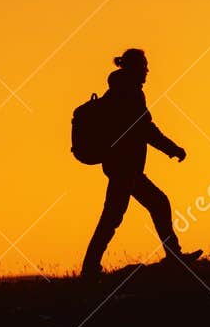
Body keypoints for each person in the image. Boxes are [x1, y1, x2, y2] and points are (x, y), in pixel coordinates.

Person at [81, 49, 202, 278]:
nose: (147, 70)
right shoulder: (129, 94)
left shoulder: (118, 91)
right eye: (144, 66)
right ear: (135, 68)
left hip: (123, 166)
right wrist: (172, 149)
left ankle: (91, 267)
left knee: (129, 211)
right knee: (127, 212)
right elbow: (146, 128)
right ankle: (90, 268)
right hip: (124, 167)